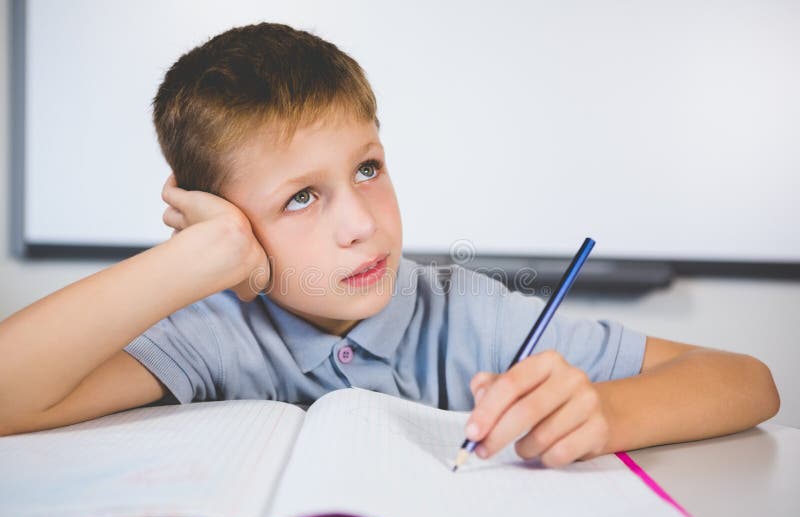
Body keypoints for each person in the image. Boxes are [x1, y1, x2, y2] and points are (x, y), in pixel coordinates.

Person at [0, 23, 779, 468]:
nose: (362, 222)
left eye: (367, 168)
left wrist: (606, 413)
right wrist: (197, 260)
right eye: (300, 197)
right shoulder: (210, 328)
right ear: (222, 223)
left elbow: (748, 383)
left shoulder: (464, 314)